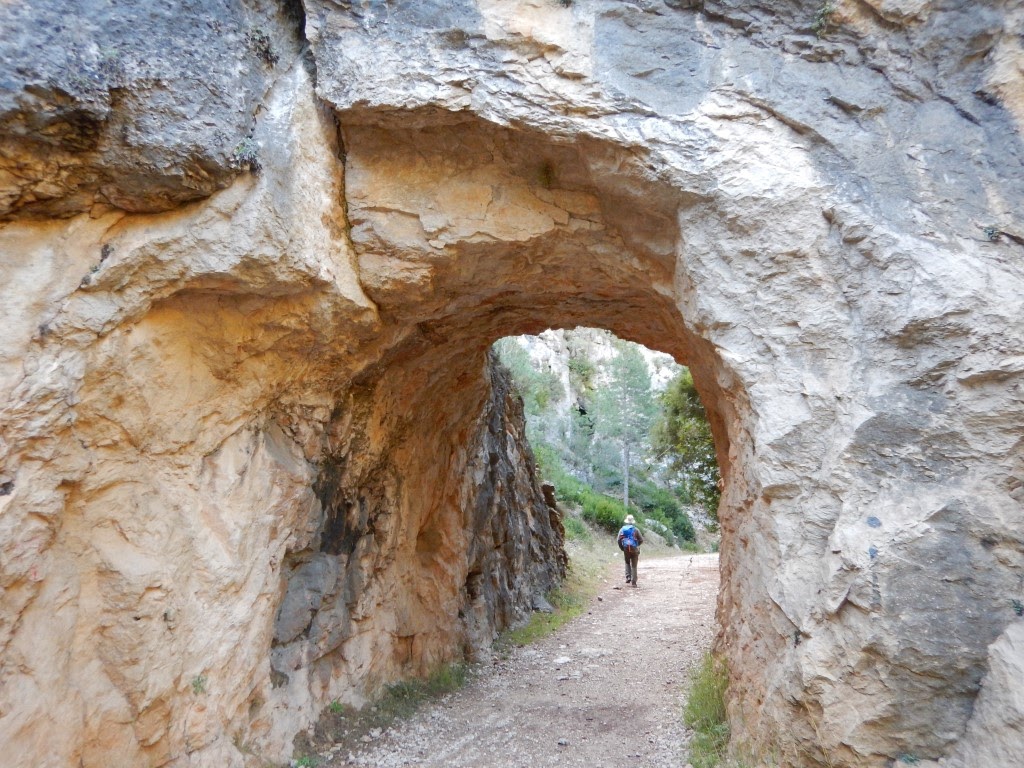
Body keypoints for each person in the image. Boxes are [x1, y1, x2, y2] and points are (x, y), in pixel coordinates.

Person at [617, 514, 644, 587]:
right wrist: (636, 544)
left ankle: (628, 577)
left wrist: (622, 548)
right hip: (634, 549)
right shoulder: (636, 529)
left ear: (626, 521)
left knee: (627, 562)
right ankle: (634, 582)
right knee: (634, 565)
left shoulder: (622, 529)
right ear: (633, 522)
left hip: (626, 548)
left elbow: (618, 540)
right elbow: (641, 540)